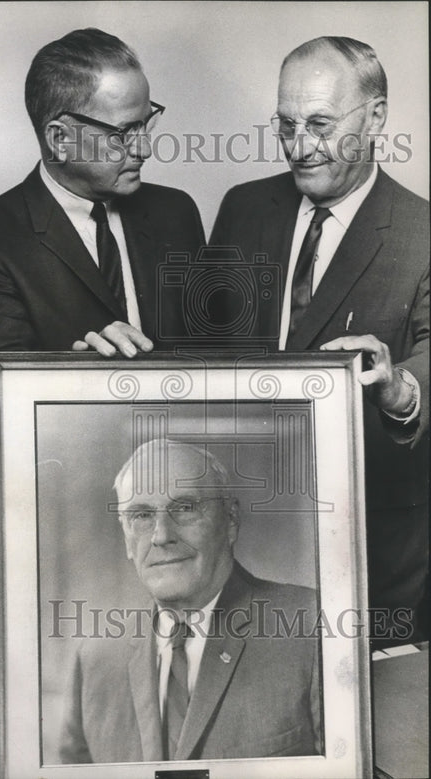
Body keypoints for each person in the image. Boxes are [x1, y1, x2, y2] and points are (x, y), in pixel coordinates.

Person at [209, 37, 429, 643]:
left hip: (372, 549)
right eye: (286, 124)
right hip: (245, 540)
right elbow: (203, 356)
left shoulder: (423, 233)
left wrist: (399, 388)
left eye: (321, 125)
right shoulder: (243, 208)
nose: (299, 147)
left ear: (377, 116)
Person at [59, 439, 320, 763]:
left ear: (231, 520)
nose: (161, 535)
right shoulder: (95, 659)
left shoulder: (311, 628)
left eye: (184, 508)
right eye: (141, 515)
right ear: (127, 537)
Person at [0, 27, 205, 362]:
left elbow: (210, 356)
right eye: (124, 132)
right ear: (60, 139)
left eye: (147, 124)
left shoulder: (176, 212)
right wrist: (81, 372)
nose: (145, 148)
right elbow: (8, 388)